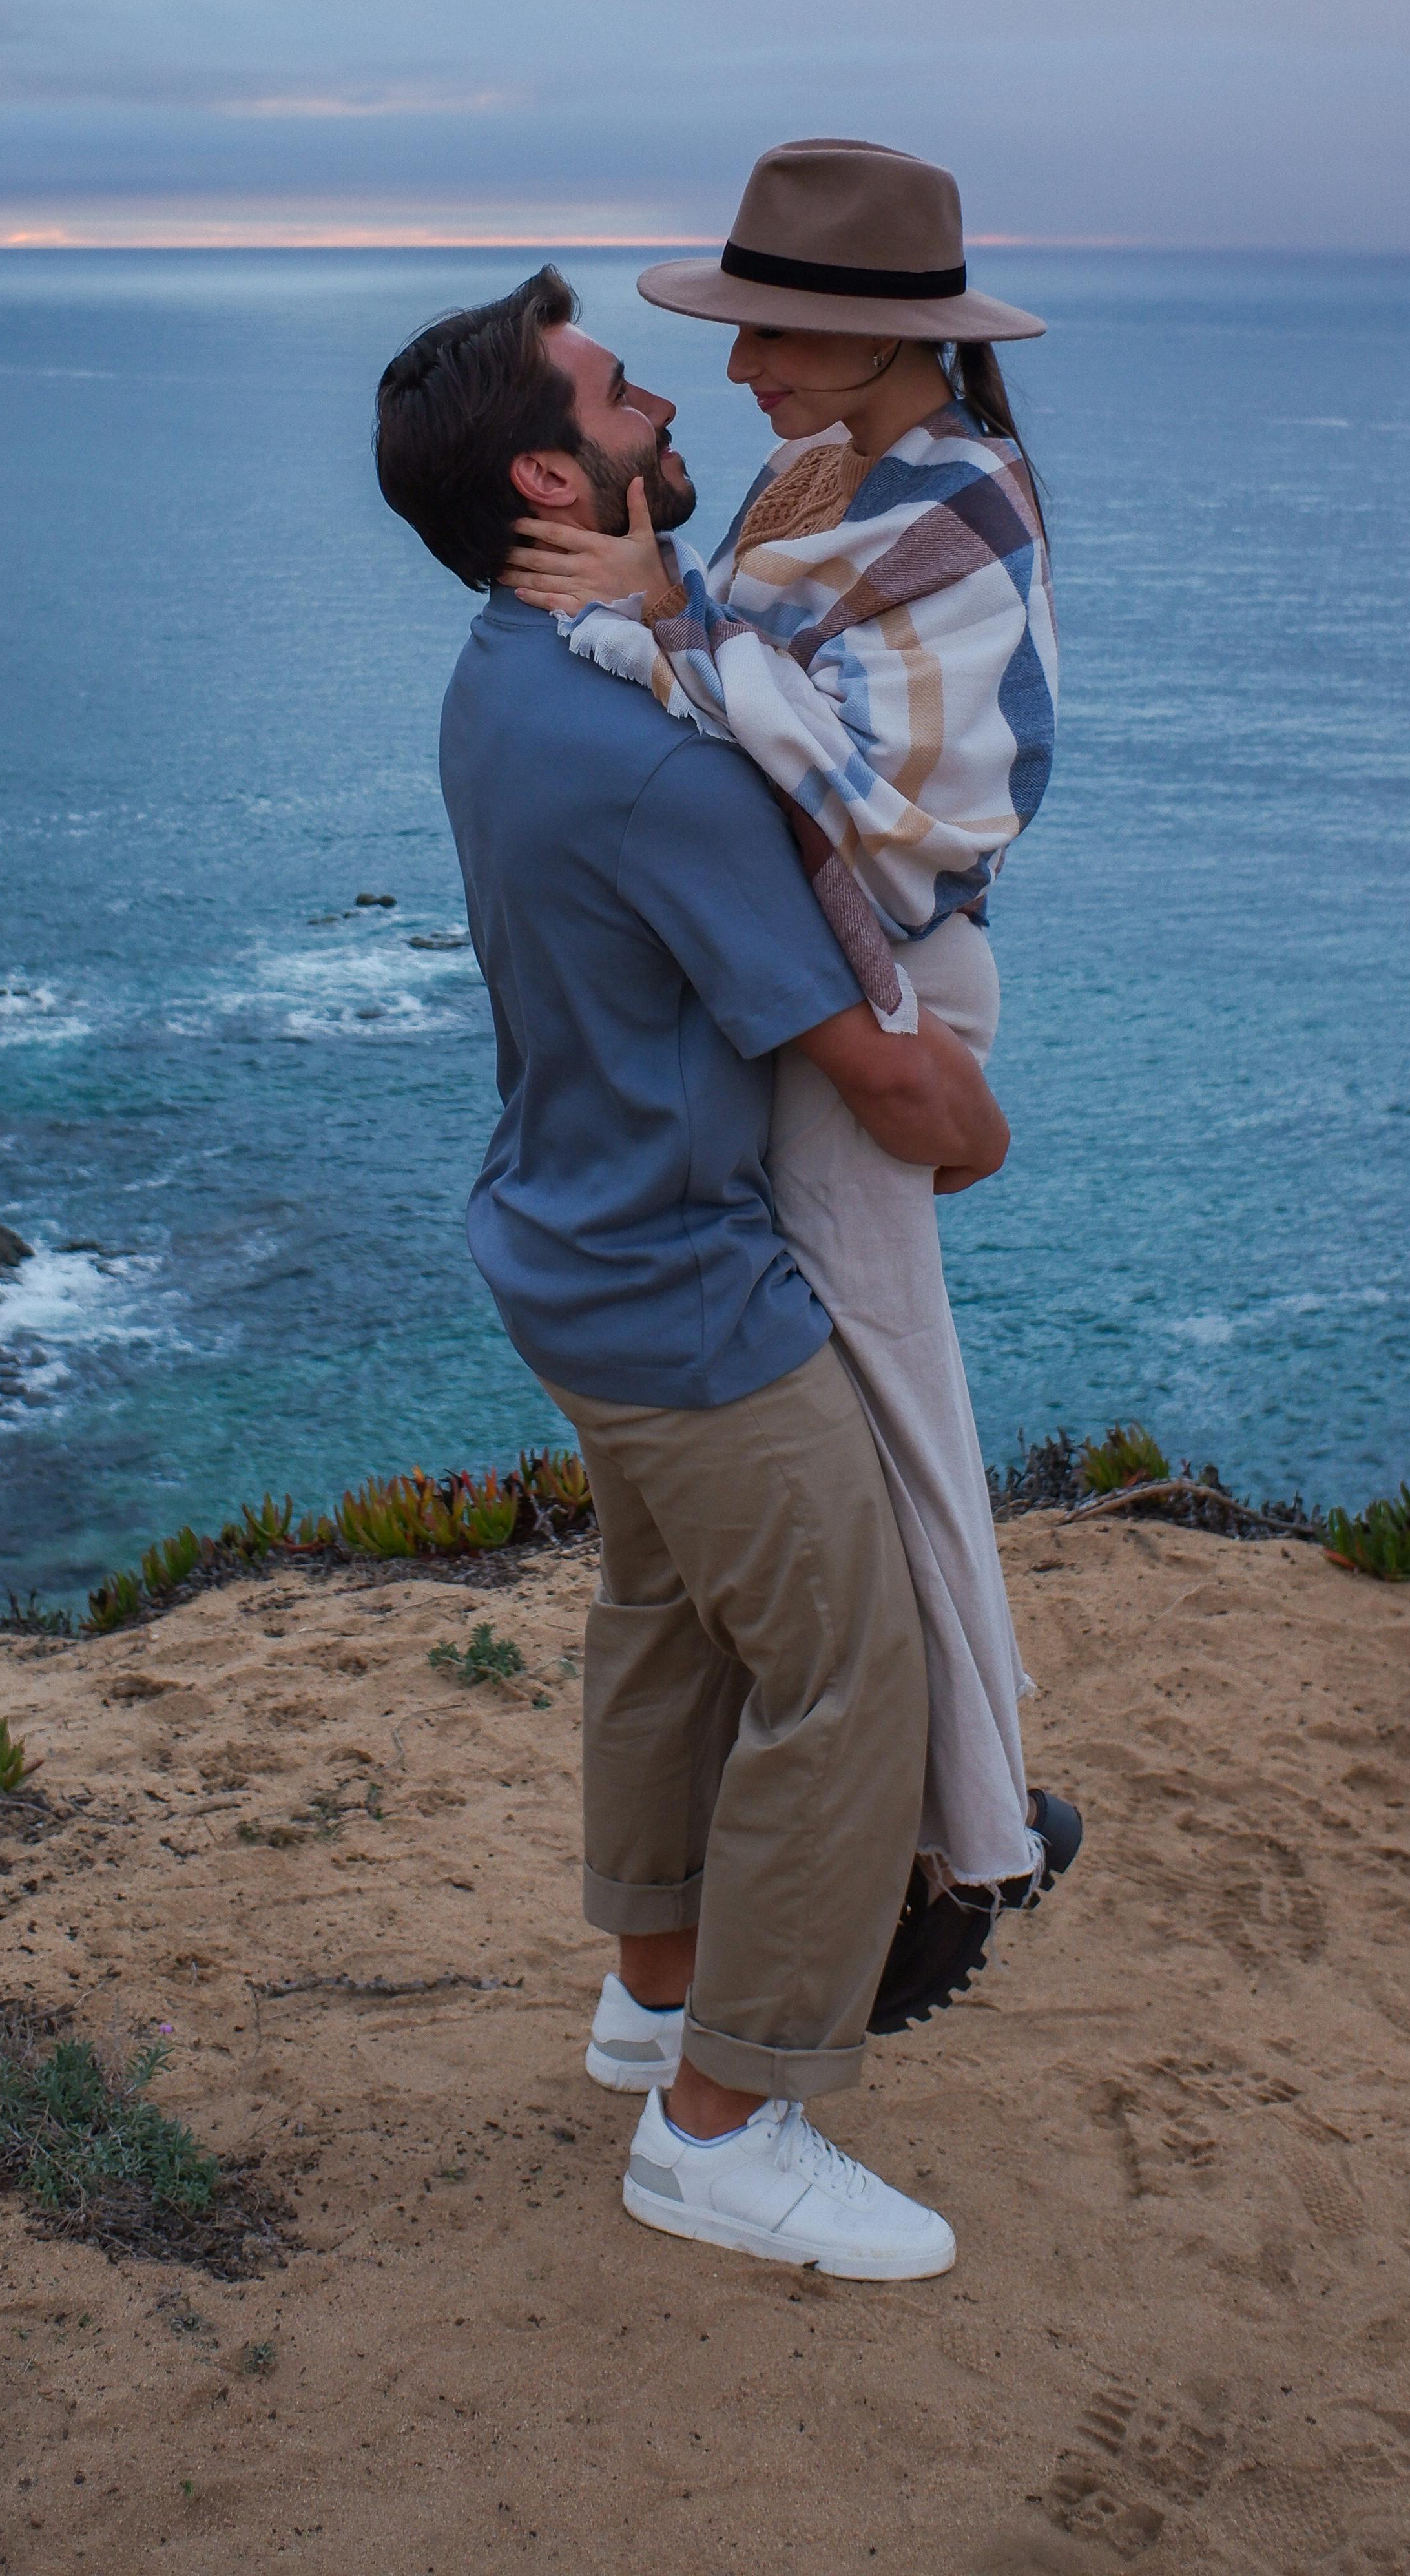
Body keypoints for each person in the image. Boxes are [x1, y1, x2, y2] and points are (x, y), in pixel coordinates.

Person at [375, 267, 1024, 2280]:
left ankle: (652, 1996)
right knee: (848, 1673)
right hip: (690, 1298)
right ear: (558, 469)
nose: (676, 404)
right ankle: (729, 2122)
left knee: (663, 1629)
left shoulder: (507, 672)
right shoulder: (652, 758)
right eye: (625, 389)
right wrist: (981, 1121)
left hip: (560, 1252)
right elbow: (881, 1086)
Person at [505, 140, 1072, 1931]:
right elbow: (753, 713)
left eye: (777, 338)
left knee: (898, 1427)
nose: (742, 373)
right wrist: (675, 629)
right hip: (852, 981)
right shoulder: (835, 467)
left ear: (886, 339)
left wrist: (660, 627)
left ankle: (962, 1841)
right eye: (742, 333)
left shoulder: (951, 500)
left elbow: (868, 801)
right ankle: (941, 1831)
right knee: (861, 1452)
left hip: (889, 974)